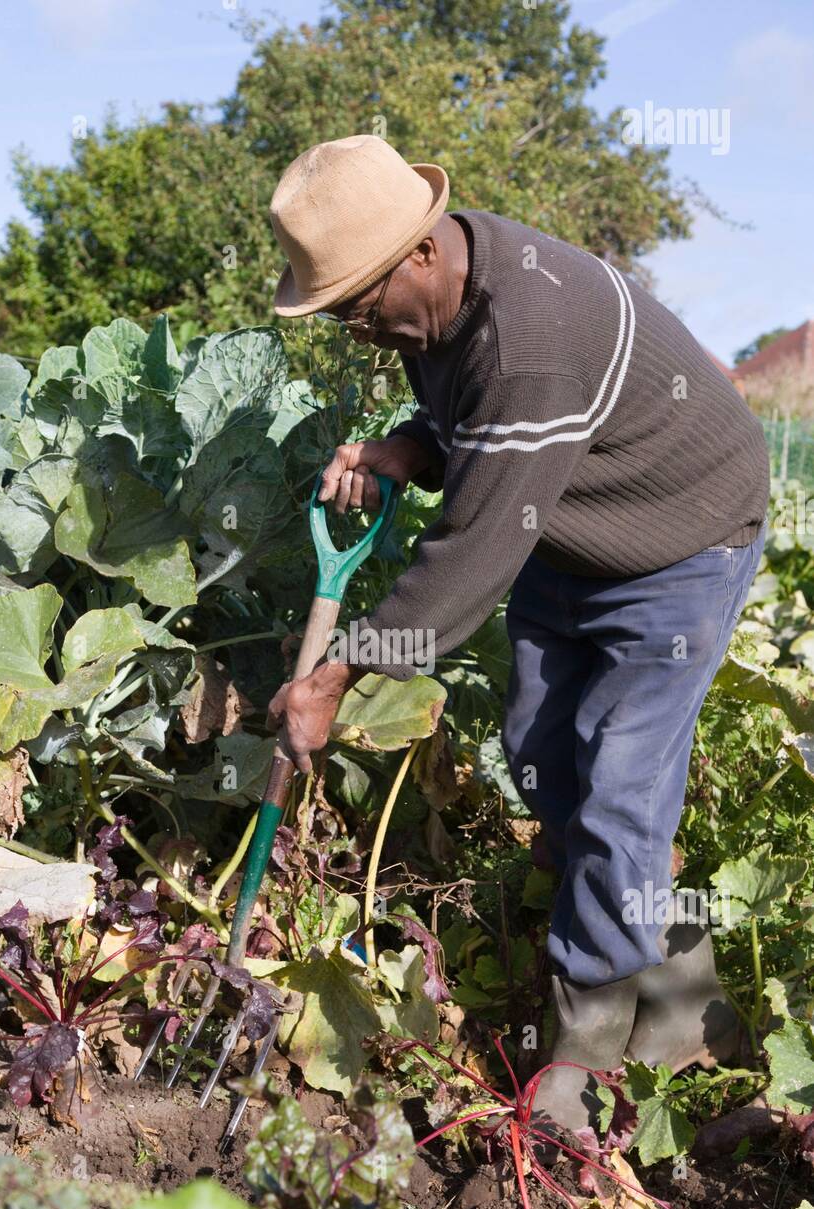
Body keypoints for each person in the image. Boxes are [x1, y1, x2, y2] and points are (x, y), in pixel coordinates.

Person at [264, 134, 769, 1136]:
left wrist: (337, 672)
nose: (362, 333)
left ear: (418, 253)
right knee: (542, 757)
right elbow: (475, 437)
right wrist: (408, 446)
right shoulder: (442, 300)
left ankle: (581, 1063)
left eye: (359, 308)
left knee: (619, 787)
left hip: (679, 544)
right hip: (574, 528)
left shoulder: (528, 333)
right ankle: (684, 1018)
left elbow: (465, 565)